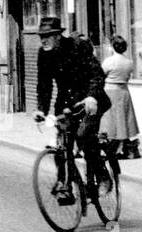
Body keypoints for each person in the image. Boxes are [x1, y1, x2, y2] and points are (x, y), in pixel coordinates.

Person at [33, 16, 111, 201]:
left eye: (48, 36)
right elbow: (44, 84)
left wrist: (92, 96)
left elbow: (96, 74)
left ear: (59, 35)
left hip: (91, 100)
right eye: (41, 36)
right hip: (66, 103)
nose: (43, 40)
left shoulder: (77, 46)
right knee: (63, 145)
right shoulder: (43, 54)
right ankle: (65, 185)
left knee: (83, 136)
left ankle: (103, 177)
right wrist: (41, 110)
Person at [100, 36, 140, 159]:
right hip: (123, 91)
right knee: (123, 119)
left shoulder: (108, 61)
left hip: (109, 91)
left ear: (112, 47)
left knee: (110, 121)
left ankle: (111, 148)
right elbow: (128, 76)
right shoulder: (129, 62)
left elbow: (101, 75)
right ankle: (123, 147)